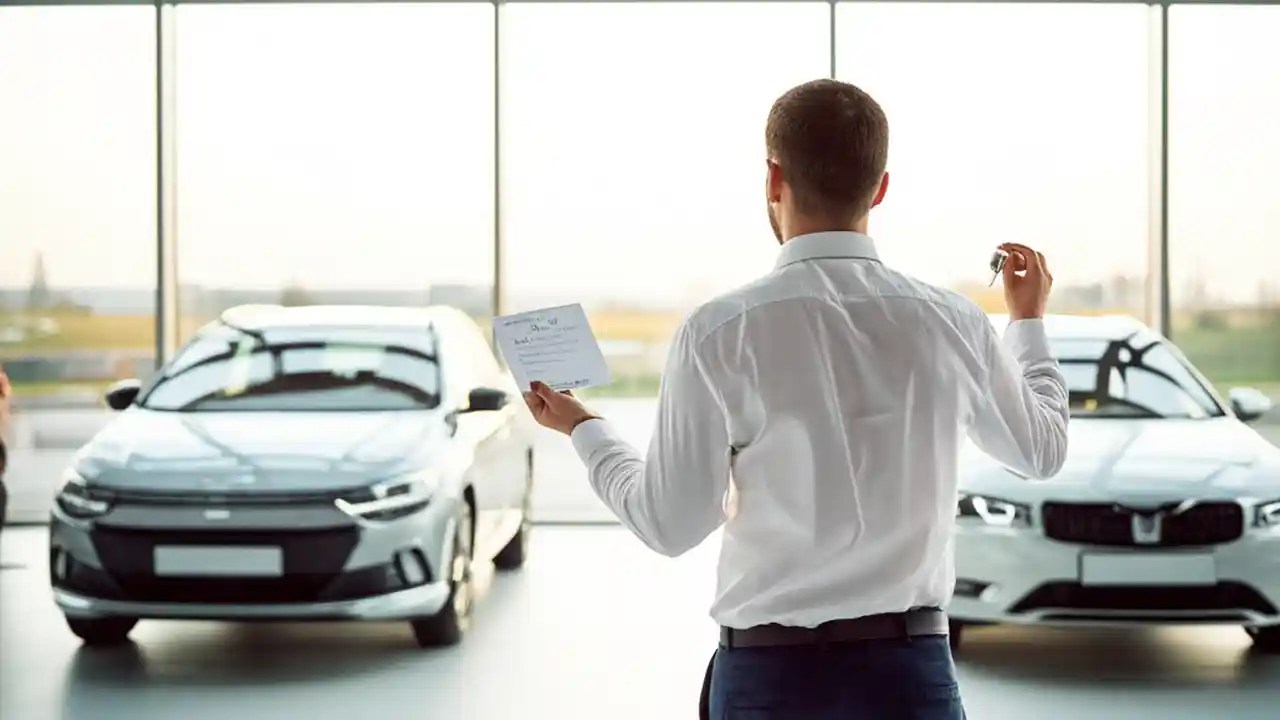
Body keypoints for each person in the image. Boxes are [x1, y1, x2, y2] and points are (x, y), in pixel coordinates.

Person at [522, 79, 1068, 719]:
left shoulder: (718, 331)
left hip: (769, 680)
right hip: (911, 678)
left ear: (772, 178)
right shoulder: (953, 322)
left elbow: (669, 525)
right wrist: (1026, 324)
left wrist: (586, 429)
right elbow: (1043, 451)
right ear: (881, 187)